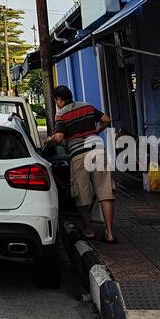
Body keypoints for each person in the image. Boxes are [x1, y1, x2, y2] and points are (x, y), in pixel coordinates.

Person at [48, 85, 116, 244]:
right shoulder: (87, 106)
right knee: (105, 192)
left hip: (79, 156)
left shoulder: (61, 114)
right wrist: (97, 132)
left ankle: (88, 230)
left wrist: (50, 139)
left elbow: (58, 138)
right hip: (98, 152)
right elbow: (106, 119)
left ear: (59, 100)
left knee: (82, 194)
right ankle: (110, 233)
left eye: (56, 100)